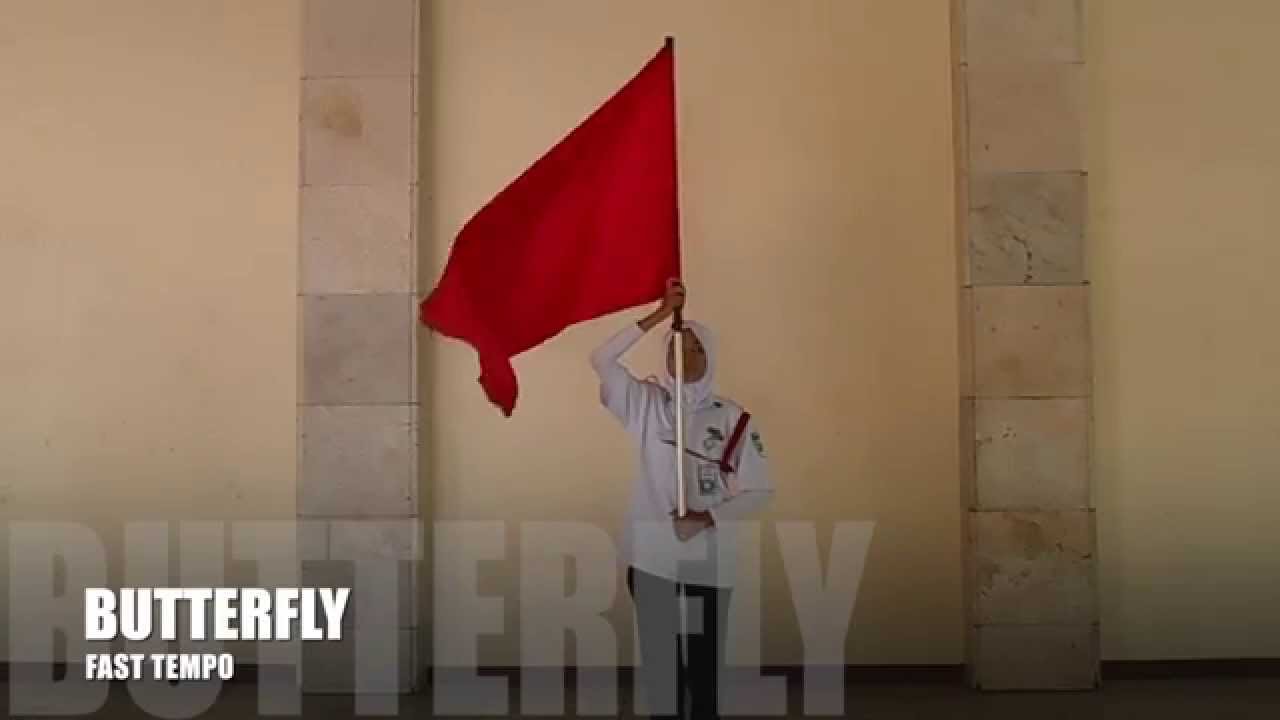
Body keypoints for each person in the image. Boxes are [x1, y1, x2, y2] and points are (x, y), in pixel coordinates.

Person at [590, 279, 775, 720]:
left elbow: (761, 490)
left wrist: (707, 517)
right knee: (663, 672)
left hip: (708, 562)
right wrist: (659, 314)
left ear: (708, 358)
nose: (684, 354)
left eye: (694, 347)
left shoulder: (732, 418)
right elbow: (601, 359)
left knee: (704, 673)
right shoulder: (644, 403)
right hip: (651, 559)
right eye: (676, 345)